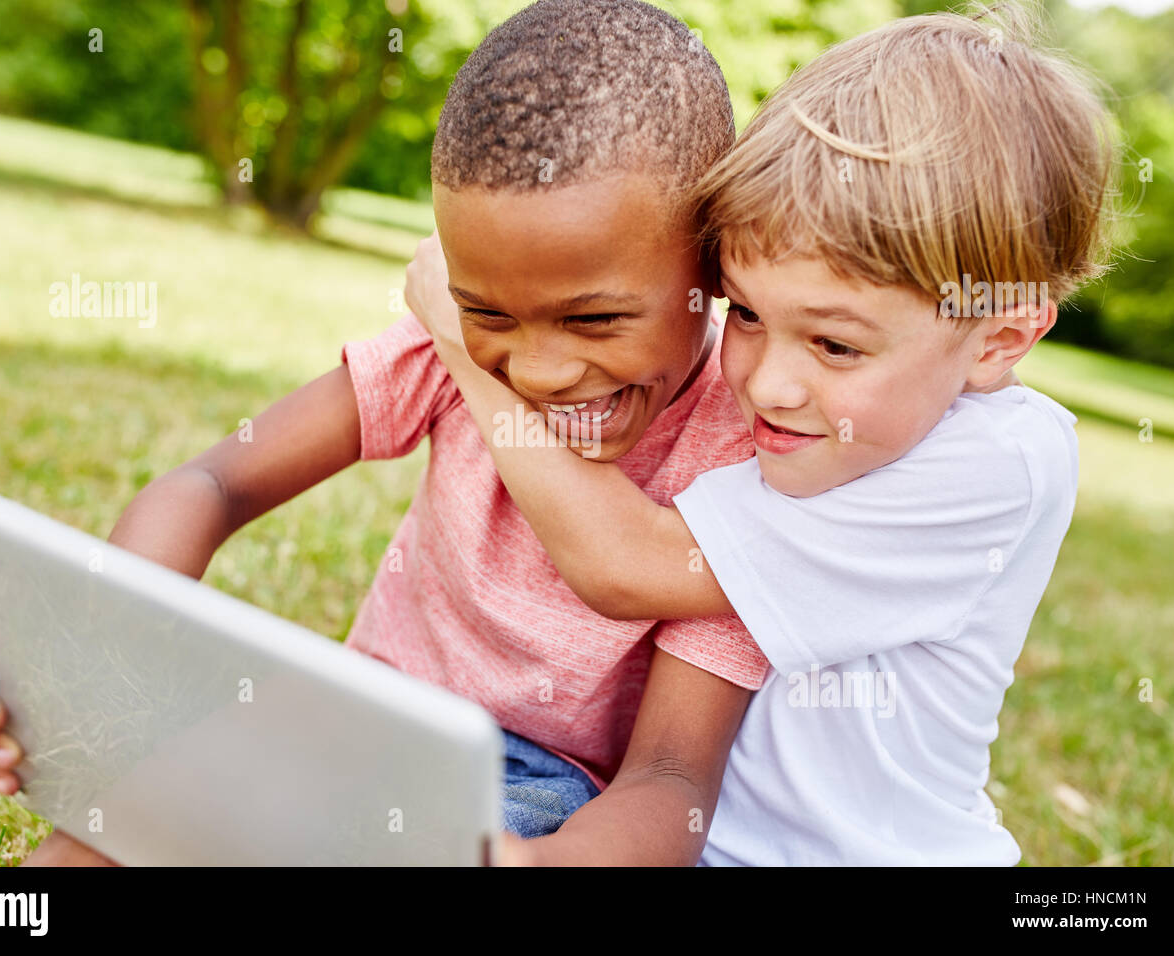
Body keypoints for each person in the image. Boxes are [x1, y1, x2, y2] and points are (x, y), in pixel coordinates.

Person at [0, 0, 768, 865]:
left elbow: (669, 778)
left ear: (716, 260)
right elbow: (214, 486)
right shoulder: (442, 351)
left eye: (594, 320)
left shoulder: (754, 457)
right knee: (109, 835)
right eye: (484, 313)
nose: (537, 369)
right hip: (343, 719)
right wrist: (83, 646)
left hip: (526, 796)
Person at [405, 6, 1116, 864]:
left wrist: (467, 346)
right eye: (744, 311)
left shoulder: (998, 463)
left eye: (835, 343)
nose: (766, 384)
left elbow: (625, 567)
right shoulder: (813, 436)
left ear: (999, 339)